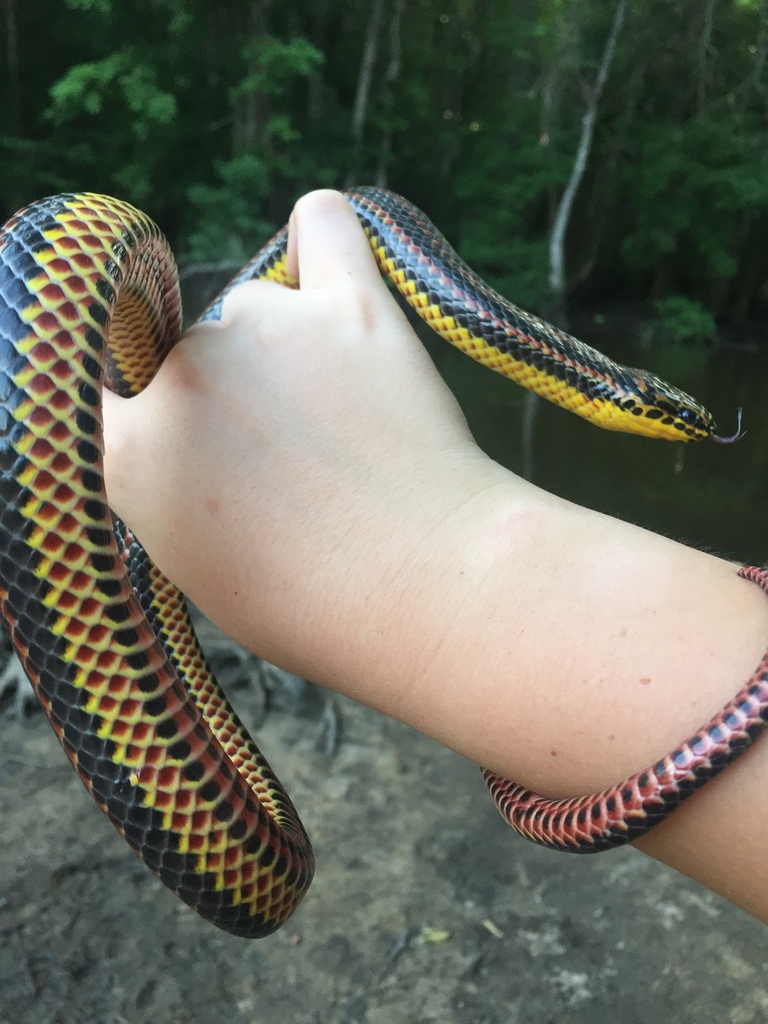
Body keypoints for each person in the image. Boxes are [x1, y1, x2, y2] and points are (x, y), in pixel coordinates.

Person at [102, 190, 768, 922]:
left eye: (684, 420)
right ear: (627, 400)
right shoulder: (551, 360)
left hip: (246, 859)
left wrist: (432, 552)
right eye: (676, 417)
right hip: (100, 256)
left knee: (258, 886)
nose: (687, 428)